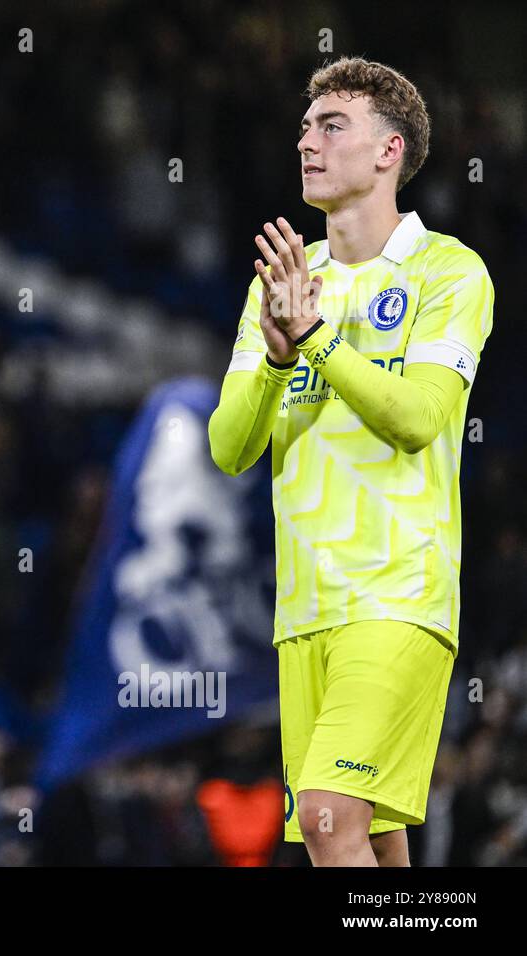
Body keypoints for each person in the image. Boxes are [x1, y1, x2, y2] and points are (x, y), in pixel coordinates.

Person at [208, 57, 494, 866]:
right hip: (303, 614)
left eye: (332, 125)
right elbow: (229, 448)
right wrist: (271, 361)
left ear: (388, 152)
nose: (307, 141)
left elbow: (418, 417)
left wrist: (315, 341)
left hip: (399, 596)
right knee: (373, 840)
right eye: (305, 126)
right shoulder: (285, 281)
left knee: (332, 820)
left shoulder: (449, 271)